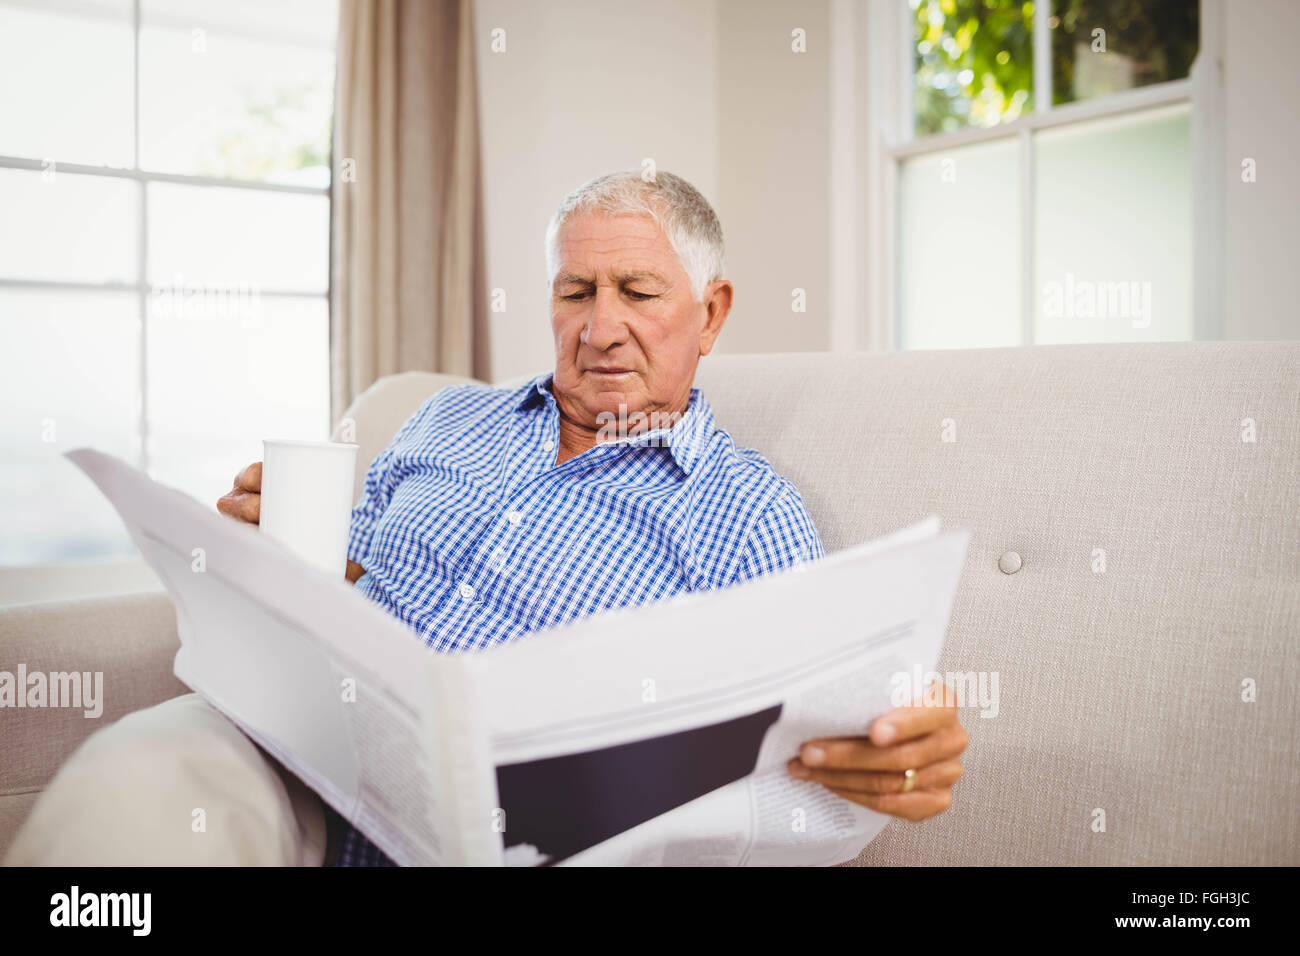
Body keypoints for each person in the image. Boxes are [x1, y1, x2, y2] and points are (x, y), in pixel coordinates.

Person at [218, 170, 968, 866]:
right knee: (152, 769)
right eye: (576, 291)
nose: (600, 328)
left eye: (637, 293)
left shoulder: (746, 514)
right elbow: (347, 564)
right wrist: (276, 537)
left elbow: (828, 714)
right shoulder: (445, 417)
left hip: (513, 842)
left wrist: (897, 740)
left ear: (711, 315)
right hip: (299, 768)